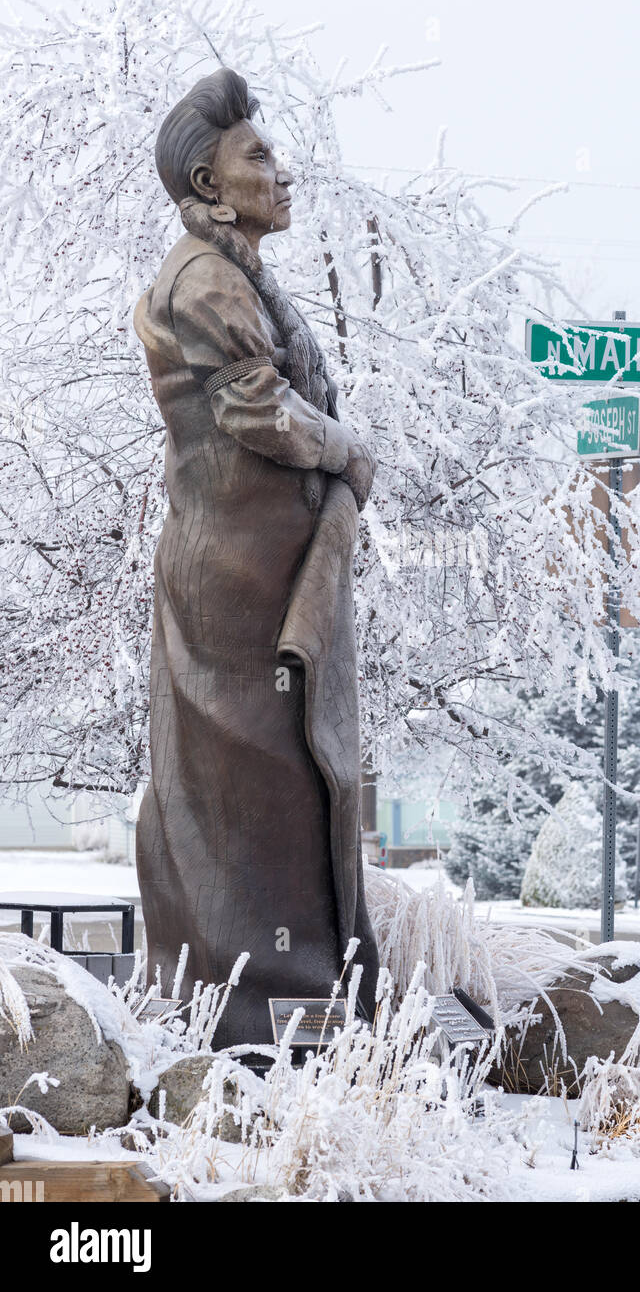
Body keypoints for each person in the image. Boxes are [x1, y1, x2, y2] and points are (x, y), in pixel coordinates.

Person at [133, 67, 379, 1047]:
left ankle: (298, 1008)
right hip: (233, 594)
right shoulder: (203, 283)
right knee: (253, 797)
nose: (283, 171)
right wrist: (346, 451)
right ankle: (256, 1017)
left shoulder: (237, 276)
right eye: (258, 157)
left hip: (263, 574)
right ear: (207, 182)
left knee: (285, 787)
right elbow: (255, 408)